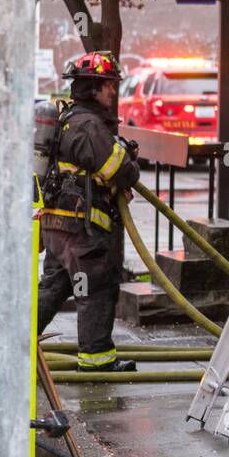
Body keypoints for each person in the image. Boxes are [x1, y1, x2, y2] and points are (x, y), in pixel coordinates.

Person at [37, 51, 141, 372]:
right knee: (94, 286)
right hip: (81, 229)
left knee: (57, 285)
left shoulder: (73, 120)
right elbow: (121, 170)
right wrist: (126, 158)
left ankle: (15, 340)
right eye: (109, 85)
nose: (113, 91)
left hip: (59, 226)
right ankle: (97, 361)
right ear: (93, 87)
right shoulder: (87, 125)